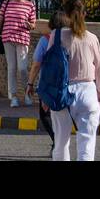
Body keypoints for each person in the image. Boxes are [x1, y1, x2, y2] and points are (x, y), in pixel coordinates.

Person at [42, 0, 100, 161]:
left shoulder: (56, 36)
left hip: (61, 92)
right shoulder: (92, 38)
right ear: (84, 14)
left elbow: (48, 67)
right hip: (88, 91)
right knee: (86, 142)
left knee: (61, 142)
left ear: (65, 14)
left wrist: (44, 95)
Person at [26, 10, 69, 153]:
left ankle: (57, 143)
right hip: (67, 85)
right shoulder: (73, 39)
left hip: (48, 85)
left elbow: (37, 63)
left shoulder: (45, 39)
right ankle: (60, 145)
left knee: (45, 116)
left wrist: (30, 83)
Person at [0, 0, 36, 107]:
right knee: (11, 68)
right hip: (7, 38)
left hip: (22, 38)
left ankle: (27, 94)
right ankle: (14, 96)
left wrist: (29, 25)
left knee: (22, 68)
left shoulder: (29, 5)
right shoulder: (6, 4)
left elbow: (33, 24)